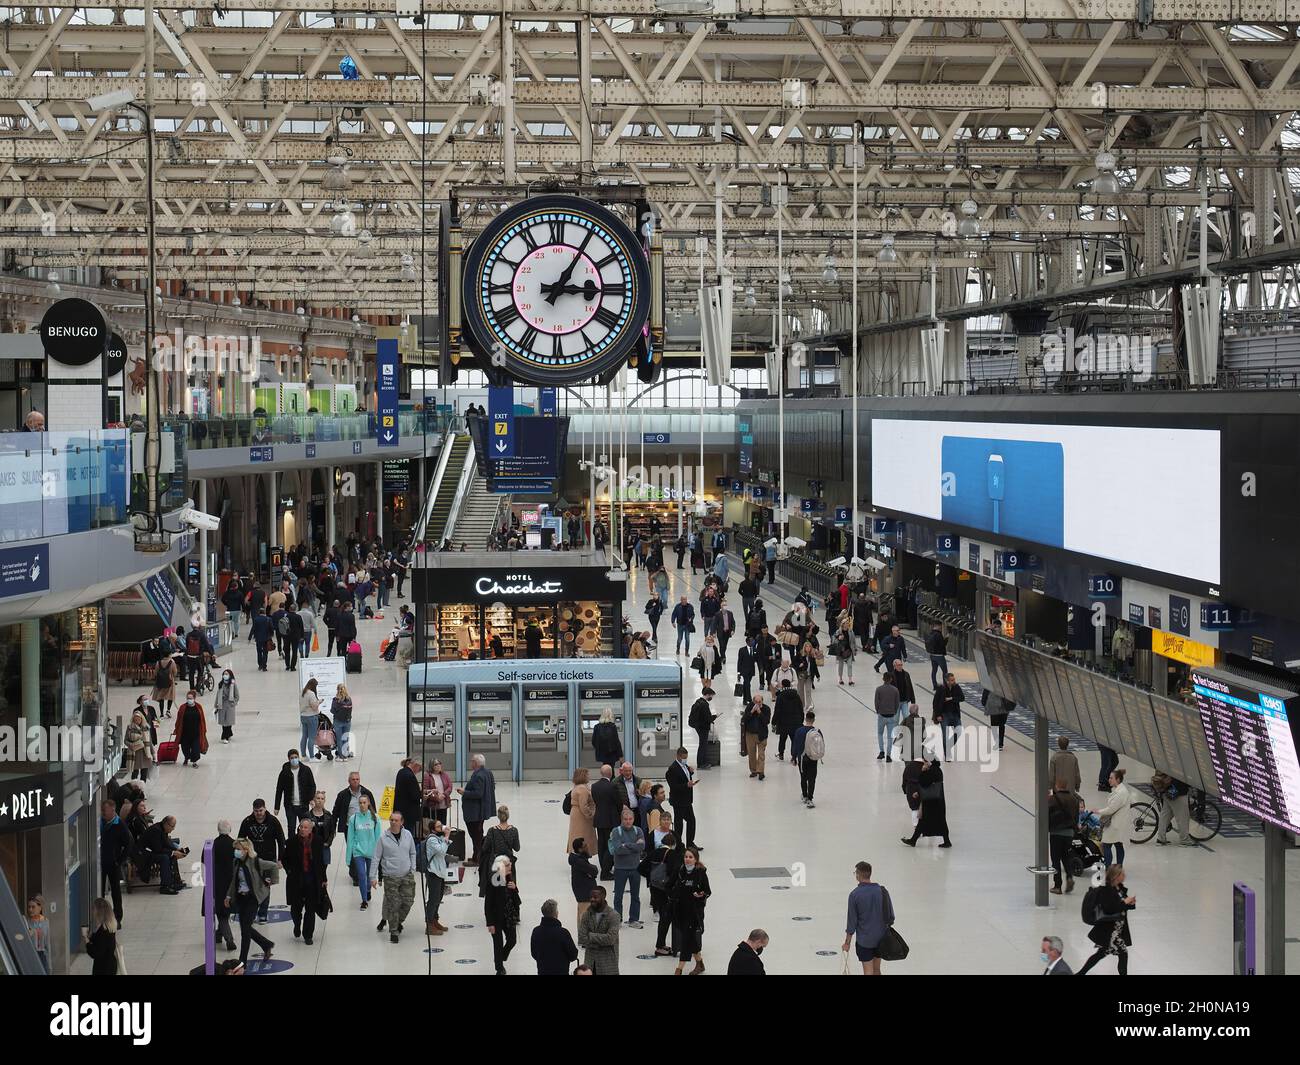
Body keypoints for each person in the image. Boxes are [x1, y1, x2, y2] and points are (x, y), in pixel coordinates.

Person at [1076, 864, 1136, 975]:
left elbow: (1121, 906)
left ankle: (1081, 973)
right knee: (1123, 953)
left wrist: (1130, 904)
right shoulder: (1107, 890)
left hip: (1116, 928)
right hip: (1110, 930)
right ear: (1116, 876)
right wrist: (1125, 902)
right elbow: (1109, 909)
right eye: (1122, 873)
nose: (1124, 875)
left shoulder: (1119, 888)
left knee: (1101, 953)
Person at [225, 837, 276, 964]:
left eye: (238, 849)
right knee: (245, 928)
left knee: (245, 931)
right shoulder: (236, 862)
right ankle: (266, 944)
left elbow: (274, 866)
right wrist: (228, 896)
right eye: (235, 849)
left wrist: (272, 881)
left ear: (246, 850)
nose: (236, 851)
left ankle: (242, 962)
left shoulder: (255, 861)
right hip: (241, 897)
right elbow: (233, 881)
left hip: (253, 898)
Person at [843, 861, 895, 975]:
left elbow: (852, 923)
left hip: (864, 941)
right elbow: (891, 916)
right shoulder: (883, 891)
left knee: (868, 971)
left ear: (858, 875)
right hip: (881, 939)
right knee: (877, 970)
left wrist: (847, 943)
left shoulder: (854, 895)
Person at [237, 799, 286, 922]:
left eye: (261, 810)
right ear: (253, 810)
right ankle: (252, 912)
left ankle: (263, 913)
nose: (259, 813)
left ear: (265, 808)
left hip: (269, 861)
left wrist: (280, 859)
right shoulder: (247, 822)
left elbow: (281, 841)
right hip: (252, 860)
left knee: (265, 886)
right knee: (252, 886)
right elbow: (240, 840)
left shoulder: (273, 822)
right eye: (256, 811)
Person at [373, 811, 418, 943]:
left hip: (406, 874)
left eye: (396, 820)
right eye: (391, 820)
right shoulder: (383, 837)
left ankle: (398, 922)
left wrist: (413, 868)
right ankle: (394, 931)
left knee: (408, 901)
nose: (393, 822)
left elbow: (413, 852)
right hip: (390, 876)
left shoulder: (408, 835)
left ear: (401, 822)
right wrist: (372, 877)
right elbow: (376, 858)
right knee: (393, 904)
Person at [669, 845, 711, 975]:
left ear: (696, 859)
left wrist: (701, 895)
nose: (687, 859)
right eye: (686, 857)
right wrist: (672, 895)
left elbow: (708, 891)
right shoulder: (679, 870)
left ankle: (679, 969)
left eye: (690, 857)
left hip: (694, 912)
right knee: (690, 938)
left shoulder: (701, 873)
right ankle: (699, 963)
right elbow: (669, 885)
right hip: (680, 910)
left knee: (686, 939)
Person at [284, 819, 328, 945]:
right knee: (295, 908)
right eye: (301, 827)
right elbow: (285, 858)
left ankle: (308, 935)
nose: (302, 830)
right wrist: (289, 871)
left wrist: (324, 879)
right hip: (296, 880)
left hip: (312, 880)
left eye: (305, 828)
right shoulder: (292, 841)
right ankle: (297, 924)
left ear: (310, 829)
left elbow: (321, 862)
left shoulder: (317, 841)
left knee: (310, 909)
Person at [482, 855, 521, 974]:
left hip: (509, 916)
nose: (511, 866)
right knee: (497, 944)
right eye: (508, 865)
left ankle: (501, 956)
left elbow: (517, 901)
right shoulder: (493, 882)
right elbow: (488, 904)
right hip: (496, 918)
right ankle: (499, 968)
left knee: (512, 940)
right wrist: (490, 923)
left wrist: (515, 889)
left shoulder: (510, 878)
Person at [901, 759, 952, 848]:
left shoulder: (931, 771)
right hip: (938, 800)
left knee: (923, 820)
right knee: (941, 821)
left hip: (931, 801)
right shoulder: (938, 770)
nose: (924, 763)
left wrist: (923, 771)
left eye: (926, 762)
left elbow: (923, 782)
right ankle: (946, 841)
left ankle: (913, 840)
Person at [609, 806, 645, 928]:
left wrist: (626, 845)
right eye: (625, 819)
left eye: (630, 819)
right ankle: (617, 920)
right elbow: (618, 850)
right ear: (621, 819)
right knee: (618, 896)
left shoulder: (638, 830)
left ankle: (634, 919)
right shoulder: (616, 831)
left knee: (635, 895)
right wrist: (634, 846)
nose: (628, 821)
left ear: (633, 819)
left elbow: (641, 847)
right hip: (620, 869)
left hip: (635, 868)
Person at [458, 754, 497, 865]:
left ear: (476, 763)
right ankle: (477, 856)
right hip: (482, 809)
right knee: (478, 833)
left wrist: (464, 792)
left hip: (475, 812)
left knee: (476, 835)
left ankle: (478, 859)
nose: (470, 763)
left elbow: (478, 793)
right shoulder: (488, 773)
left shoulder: (478, 775)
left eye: (471, 761)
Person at [1092, 769, 1135, 867]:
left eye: (1111, 778)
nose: (1109, 780)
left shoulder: (1120, 793)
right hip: (1119, 823)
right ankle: (1119, 866)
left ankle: (1108, 868)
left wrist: (1098, 811)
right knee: (1118, 845)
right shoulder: (1119, 789)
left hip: (1115, 825)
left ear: (1118, 779)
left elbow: (1111, 809)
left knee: (1107, 845)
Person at [347, 792, 382, 910]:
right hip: (358, 852)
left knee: (369, 876)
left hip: (371, 852)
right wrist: (348, 858)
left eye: (364, 803)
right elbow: (350, 839)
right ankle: (364, 900)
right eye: (360, 803)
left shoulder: (375, 818)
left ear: (368, 804)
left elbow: (378, 839)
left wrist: (379, 855)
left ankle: (367, 890)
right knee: (361, 875)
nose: (362, 805)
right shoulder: (353, 818)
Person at [99, 798, 130, 927]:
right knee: (99, 891)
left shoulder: (119, 825)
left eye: (104, 810)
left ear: (113, 810)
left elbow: (128, 844)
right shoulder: (99, 822)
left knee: (116, 891)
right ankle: (100, 917)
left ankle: (117, 918)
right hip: (100, 864)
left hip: (113, 864)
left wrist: (120, 860)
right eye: (101, 810)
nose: (102, 813)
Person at [577, 885, 621, 975]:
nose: (592, 899)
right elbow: (581, 938)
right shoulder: (586, 915)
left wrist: (591, 935)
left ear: (604, 897)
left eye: (595, 897)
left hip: (607, 964)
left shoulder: (614, 915)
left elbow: (610, 939)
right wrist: (601, 942)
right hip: (590, 962)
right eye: (591, 897)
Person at [479, 804, 521, 895]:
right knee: (509, 888)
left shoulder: (492, 831)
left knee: (496, 892)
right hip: (508, 864)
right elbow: (517, 848)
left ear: (498, 816)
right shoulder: (514, 831)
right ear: (508, 816)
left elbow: (484, 848)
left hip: (495, 864)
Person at [274, 749, 317, 839]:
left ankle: (305, 845)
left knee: (305, 828)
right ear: (289, 759)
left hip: (303, 805)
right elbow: (279, 790)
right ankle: (292, 846)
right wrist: (276, 807)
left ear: (299, 757)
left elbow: (312, 785)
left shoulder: (306, 770)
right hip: (290, 806)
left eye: (296, 757)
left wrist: (311, 798)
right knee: (291, 828)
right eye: (292, 758)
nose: (294, 759)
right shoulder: (284, 772)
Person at [531, 898, 579, 976]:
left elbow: (534, 953)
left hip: (542, 971)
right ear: (556, 914)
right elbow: (573, 955)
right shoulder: (563, 932)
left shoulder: (536, 931)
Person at [1047, 787, 1082, 894]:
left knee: (1056, 860)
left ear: (1057, 786)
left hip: (1056, 833)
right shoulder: (1074, 799)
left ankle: (1057, 886)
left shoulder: (1052, 799)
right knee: (1066, 857)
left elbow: (1047, 814)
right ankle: (1069, 877)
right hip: (1069, 834)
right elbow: (1076, 816)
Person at [210, 821, 238, 953]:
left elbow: (205, 860)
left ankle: (226, 937)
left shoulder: (213, 844)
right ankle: (223, 936)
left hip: (216, 882)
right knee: (224, 911)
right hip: (231, 882)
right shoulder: (234, 845)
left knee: (221, 912)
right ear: (230, 829)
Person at [665, 746, 699, 846]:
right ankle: (678, 843)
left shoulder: (685, 766)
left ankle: (690, 843)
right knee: (679, 824)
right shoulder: (672, 769)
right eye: (684, 757)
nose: (685, 759)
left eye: (686, 757)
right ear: (678, 756)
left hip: (687, 800)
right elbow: (674, 786)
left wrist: (691, 773)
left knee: (691, 821)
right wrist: (686, 785)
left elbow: (684, 777)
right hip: (678, 801)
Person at [423, 820, 452, 935]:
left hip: (440, 872)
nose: (442, 827)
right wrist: (447, 836)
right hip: (433, 873)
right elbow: (442, 850)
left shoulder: (438, 838)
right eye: (439, 826)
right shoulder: (431, 840)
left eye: (441, 825)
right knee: (433, 899)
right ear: (433, 829)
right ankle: (429, 924)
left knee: (438, 898)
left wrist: (445, 838)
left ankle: (435, 920)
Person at [1152, 772, 1195, 846]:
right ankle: (1185, 840)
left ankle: (1161, 838)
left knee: (1165, 817)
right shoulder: (1182, 765)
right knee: (1182, 818)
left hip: (1166, 791)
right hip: (1178, 793)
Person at [792, 710, 824, 808]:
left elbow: (795, 745)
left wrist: (794, 757)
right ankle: (810, 798)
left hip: (802, 758)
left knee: (803, 778)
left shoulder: (799, 731)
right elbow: (821, 744)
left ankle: (805, 795)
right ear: (813, 720)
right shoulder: (817, 731)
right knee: (812, 779)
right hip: (813, 758)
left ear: (805, 719)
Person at [172, 688, 208, 767]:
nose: (189, 700)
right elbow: (178, 719)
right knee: (185, 748)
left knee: (196, 749)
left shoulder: (199, 707)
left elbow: (202, 719)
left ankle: (194, 761)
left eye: (191, 698)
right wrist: (176, 729)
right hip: (185, 732)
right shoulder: (182, 707)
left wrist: (204, 729)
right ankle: (186, 758)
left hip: (196, 732)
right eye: (188, 698)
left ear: (194, 698)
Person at [84, 898, 120, 975]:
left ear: (99, 912)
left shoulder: (103, 931)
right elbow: (101, 944)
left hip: (103, 968)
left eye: (94, 909)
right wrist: (90, 936)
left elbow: (95, 953)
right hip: (110, 965)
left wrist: (86, 940)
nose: (92, 912)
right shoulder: (109, 927)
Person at [933, 672, 964, 761]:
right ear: (946, 681)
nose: (954, 681)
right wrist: (938, 715)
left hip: (955, 713)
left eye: (954, 679)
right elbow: (935, 703)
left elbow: (962, 698)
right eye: (951, 680)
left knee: (958, 731)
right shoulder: (941, 689)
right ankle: (947, 754)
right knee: (945, 735)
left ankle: (948, 746)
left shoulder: (956, 687)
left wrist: (951, 698)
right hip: (944, 714)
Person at [569, 838, 599, 928]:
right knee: (585, 919)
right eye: (585, 846)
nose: (587, 847)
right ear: (580, 849)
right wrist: (592, 872)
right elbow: (594, 870)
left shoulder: (578, 859)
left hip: (584, 892)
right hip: (584, 893)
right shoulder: (579, 861)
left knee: (582, 917)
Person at [773, 677, 803, 762]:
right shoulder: (796, 695)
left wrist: (774, 721)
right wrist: (801, 720)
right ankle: (794, 757)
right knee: (794, 740)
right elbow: (801, 708)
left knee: (782, 739)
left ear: (782, 685)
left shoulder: (780, 696)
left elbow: (777, 710)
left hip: (783, 722)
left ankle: (781, 754)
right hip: (795, 722)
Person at [687, 688, 717, 769]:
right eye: (711, 696)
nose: (711, 697)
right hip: (703, 727)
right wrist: (715, 717)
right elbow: (708, 718)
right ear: (707, 695)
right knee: (703, 745)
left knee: (702, 744)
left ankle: (703, 762)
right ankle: (701, 764)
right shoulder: (704, 704)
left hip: (698, 726)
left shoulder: (698, 701)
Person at [394, 757, 423, 837]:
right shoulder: (410, 776)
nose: (418, 772)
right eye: (419, 769)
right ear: (416, 765)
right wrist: (423, 794)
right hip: (409, 813)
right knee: (408, 835)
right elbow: (415, 795)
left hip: (400, 810)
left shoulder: (401, 772)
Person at [124, 709, 154, 782]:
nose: (137, 720)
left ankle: (142, 788)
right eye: (135, 719)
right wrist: (132, 745)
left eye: (138, 719)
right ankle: (134, 787)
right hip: (135, 753)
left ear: (142, 719)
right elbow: (125, 740)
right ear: (133, 719)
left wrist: (153, 753)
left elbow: (149, 741)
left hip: (145, 753)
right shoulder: (130, 727)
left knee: (144, 772)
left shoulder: (146, 728)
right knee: (135, 773)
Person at [745, 692, 770, 780]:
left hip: (762, 735)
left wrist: (759, 713)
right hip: (750, 734)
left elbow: (766, 721)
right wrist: (751, 712)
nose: (758, 704)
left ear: (762, 701)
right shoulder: (749, 707)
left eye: (759, 702)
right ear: (753, 702)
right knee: (751, 754)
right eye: (756, 702)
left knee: (761, 754)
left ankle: (761, 771)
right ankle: (754, 770)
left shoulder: (766, 709)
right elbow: (744, 719)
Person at [213, 668, 240, 743]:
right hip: (222, 705)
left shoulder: (233, 684)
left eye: (227, 674)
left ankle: (225, 736)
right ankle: (228, 734)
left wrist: (233, 703)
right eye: (224, 674)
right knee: (223, 721)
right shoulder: (220, 684)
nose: (225, 675)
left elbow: (237, 696)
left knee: (228, 721)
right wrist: (215, 705)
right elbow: (217, 695)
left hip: (230, 705)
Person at [26, 895, 50, 974]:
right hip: (30, 956)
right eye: (29, 907)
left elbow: (48, 944)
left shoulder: (46, 922)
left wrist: (50, 965)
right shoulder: (26, 922)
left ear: (40, 908)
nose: (30, 909)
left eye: (33, 907)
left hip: (43, 956)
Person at [299, 679, 321, 760]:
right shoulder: (311, 694)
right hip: (311, 717)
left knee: (304, 736)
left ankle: (304, 756)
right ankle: (312, 757)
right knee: (312, 737)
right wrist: (319, 701)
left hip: (303, 716)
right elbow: (314, 707)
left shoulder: (302, 691)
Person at [330, 683, 354, 760]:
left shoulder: (336, 700)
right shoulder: (349, 699)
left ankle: (341, 756)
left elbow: (332, 710)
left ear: (337, 690)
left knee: (339, 739)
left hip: (338, 721)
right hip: (347, 721)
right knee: (345, 738)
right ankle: (345, 755)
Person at [150, 653, 178, 719]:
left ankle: (161, 714)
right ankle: (168, 711)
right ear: (169, 655)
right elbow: (175, 672)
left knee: (161, 698)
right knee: (170, 696)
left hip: (160, 682)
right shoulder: (172, 662)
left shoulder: (158, 662)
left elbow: (155, 672)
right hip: (170, 682)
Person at [248, 607, 273, 672]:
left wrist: (249, 637)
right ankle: (264, 666)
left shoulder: (256, 619)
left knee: (259, 652)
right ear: (264, 612)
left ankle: (260, 665)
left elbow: (253, 628)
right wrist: (271, 635)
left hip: (258, 638)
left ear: (259, 613)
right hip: (266, 638)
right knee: (265, 652)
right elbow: (271, 628)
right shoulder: (268, 619)